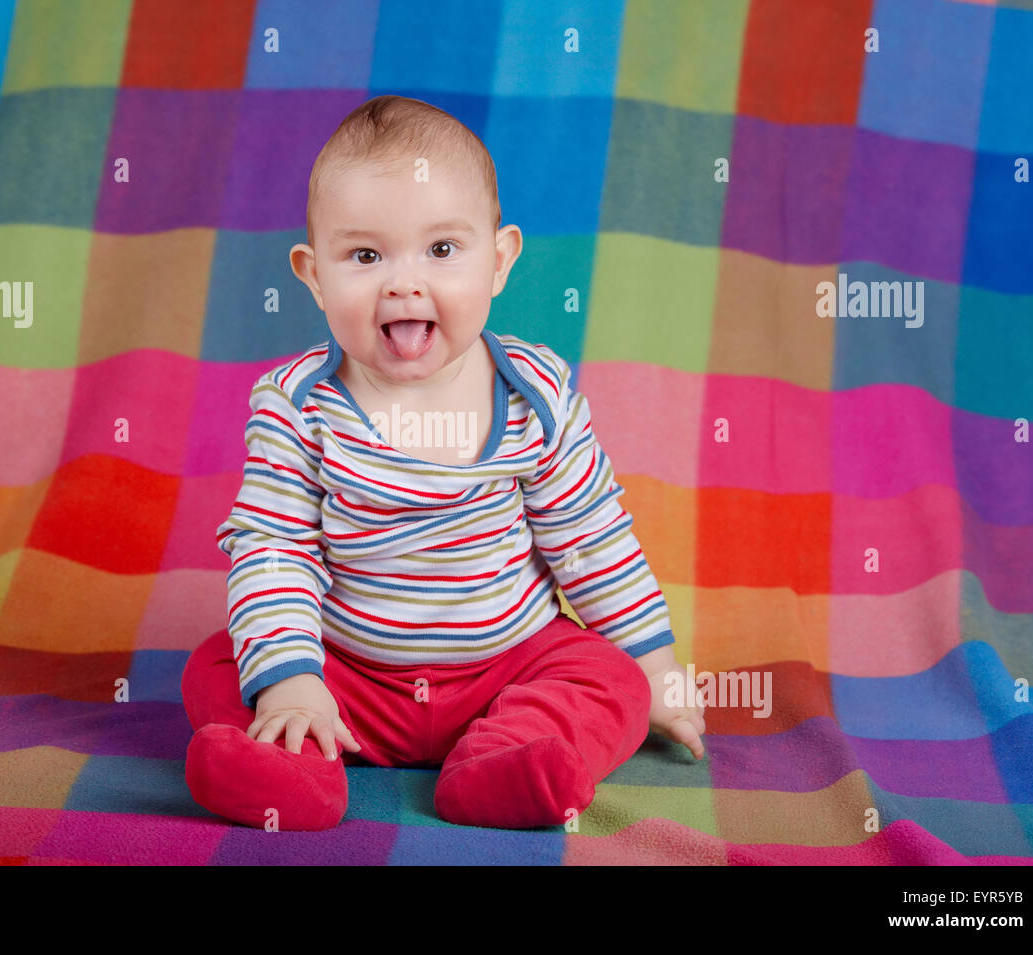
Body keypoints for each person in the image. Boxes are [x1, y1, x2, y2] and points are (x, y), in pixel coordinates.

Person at [181, 95, 705, 831]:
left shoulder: (535, 394)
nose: (404, 282)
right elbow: (273, 551)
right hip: (350, 679)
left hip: (505, 669)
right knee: (221, 663)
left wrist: (657, 669)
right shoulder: (297, 407)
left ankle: (507, 760)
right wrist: (295, 681)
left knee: (609, 677)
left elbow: (591, 538)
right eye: (365, 256)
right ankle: (293, 768)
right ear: (313, 275)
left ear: (499, 260)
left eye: (442, 250)